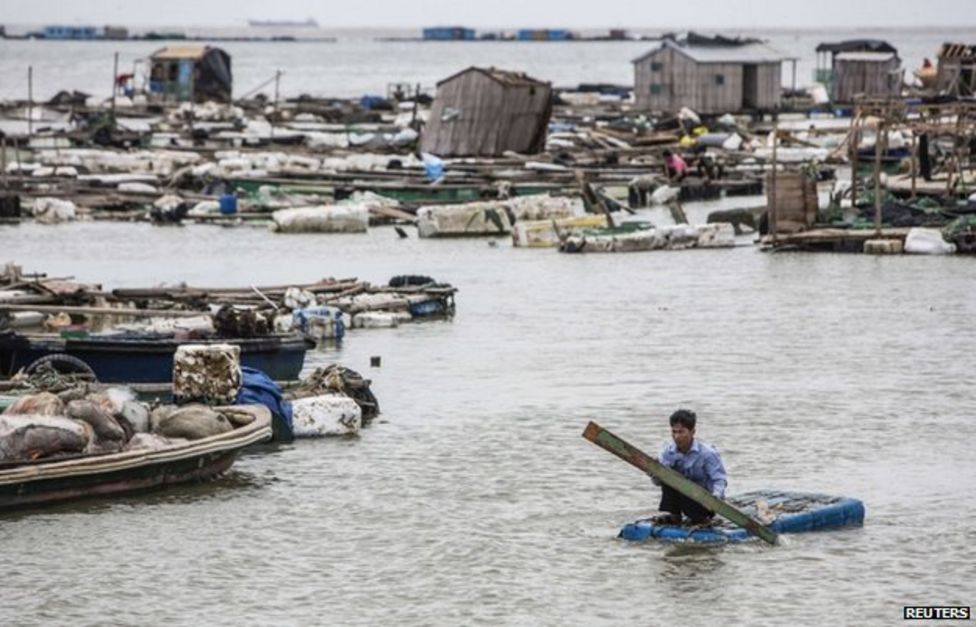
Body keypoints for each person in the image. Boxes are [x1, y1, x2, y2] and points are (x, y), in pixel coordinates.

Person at [651, 409, 727, 526]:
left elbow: (719, 479)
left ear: (692, 432)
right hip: (681, 497)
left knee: (690, 487)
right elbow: (659, 483)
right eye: (674, 432)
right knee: (668, 475)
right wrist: (654, 472)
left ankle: (702, 519)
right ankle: (675, 515)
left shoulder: (707, 453)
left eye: (681, 432)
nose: (677, 437)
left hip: (703, 502)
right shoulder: (668, 452)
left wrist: (715, 498)